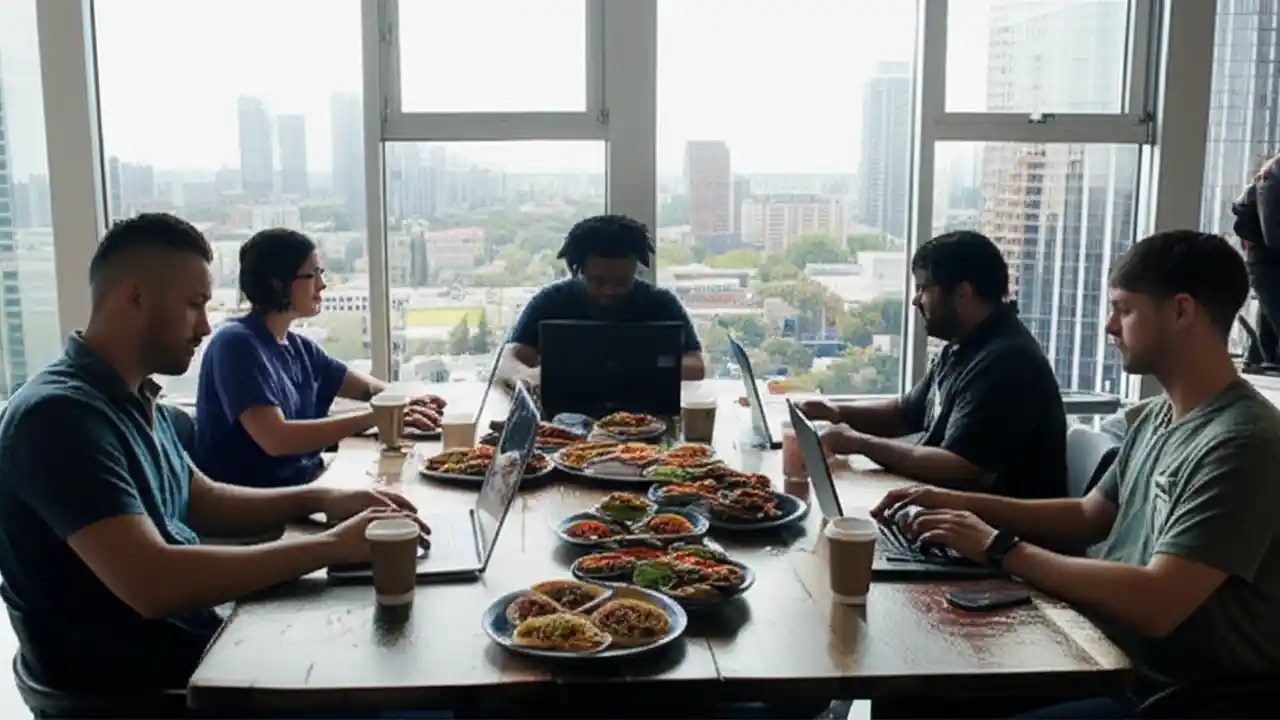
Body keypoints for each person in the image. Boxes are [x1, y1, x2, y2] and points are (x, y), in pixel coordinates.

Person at [0, 213, 427, 694]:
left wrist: (322, 499)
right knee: (395, 670)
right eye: (194, 305)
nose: (205, 327)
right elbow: (153, 583)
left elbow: (202, 499)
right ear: (134, 297)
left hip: (195, 641)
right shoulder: (58, 418)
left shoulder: (133, 397)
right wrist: (329, 547)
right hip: (144, 687)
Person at [874, 230, 1280, 718]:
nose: (1109, 326)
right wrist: (957, 503)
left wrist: (1000, 547)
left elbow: (1159, 603)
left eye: (1123, 309)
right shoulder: (1158, 416)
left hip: (1166, 693)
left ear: (1181, 312)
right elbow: (1089, 516)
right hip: (1099, 652)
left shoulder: (1244, 442)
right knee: (905, 693)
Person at [801, 231, 1066, 498]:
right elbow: (905, 414)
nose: (916, 299)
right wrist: (835, 413)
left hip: (989, 521)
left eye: (924, 288)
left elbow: (963, 469)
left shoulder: (1008, 361)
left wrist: (860, 444)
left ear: (962, 293)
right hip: (948, 510)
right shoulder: (962, 346)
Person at [195, 228, 444, 488]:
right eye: (312, 274)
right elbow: (276, 439)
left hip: (303, 484)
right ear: (277, 283)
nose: (322, 284)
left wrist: (409, 403)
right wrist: (378, 416)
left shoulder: (299, 348)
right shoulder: (236, 344)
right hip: (259, 500)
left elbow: (369, 389)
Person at [496, 214, 706, 389]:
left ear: (635, 270)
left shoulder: (661, 303)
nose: (610, 291)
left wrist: (623, 368)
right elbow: (507, 361)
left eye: (621, 281)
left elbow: (696, 366)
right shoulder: (551, 300)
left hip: (646, 412)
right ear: (579, 272)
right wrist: (528, 377)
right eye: (598, 281)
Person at [1232, 153, 1280, 366]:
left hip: (1269, 260)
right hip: (1266, 261)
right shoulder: (1272, 181)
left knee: (1270, 325)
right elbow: (1274, 235)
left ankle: (1262, 358)